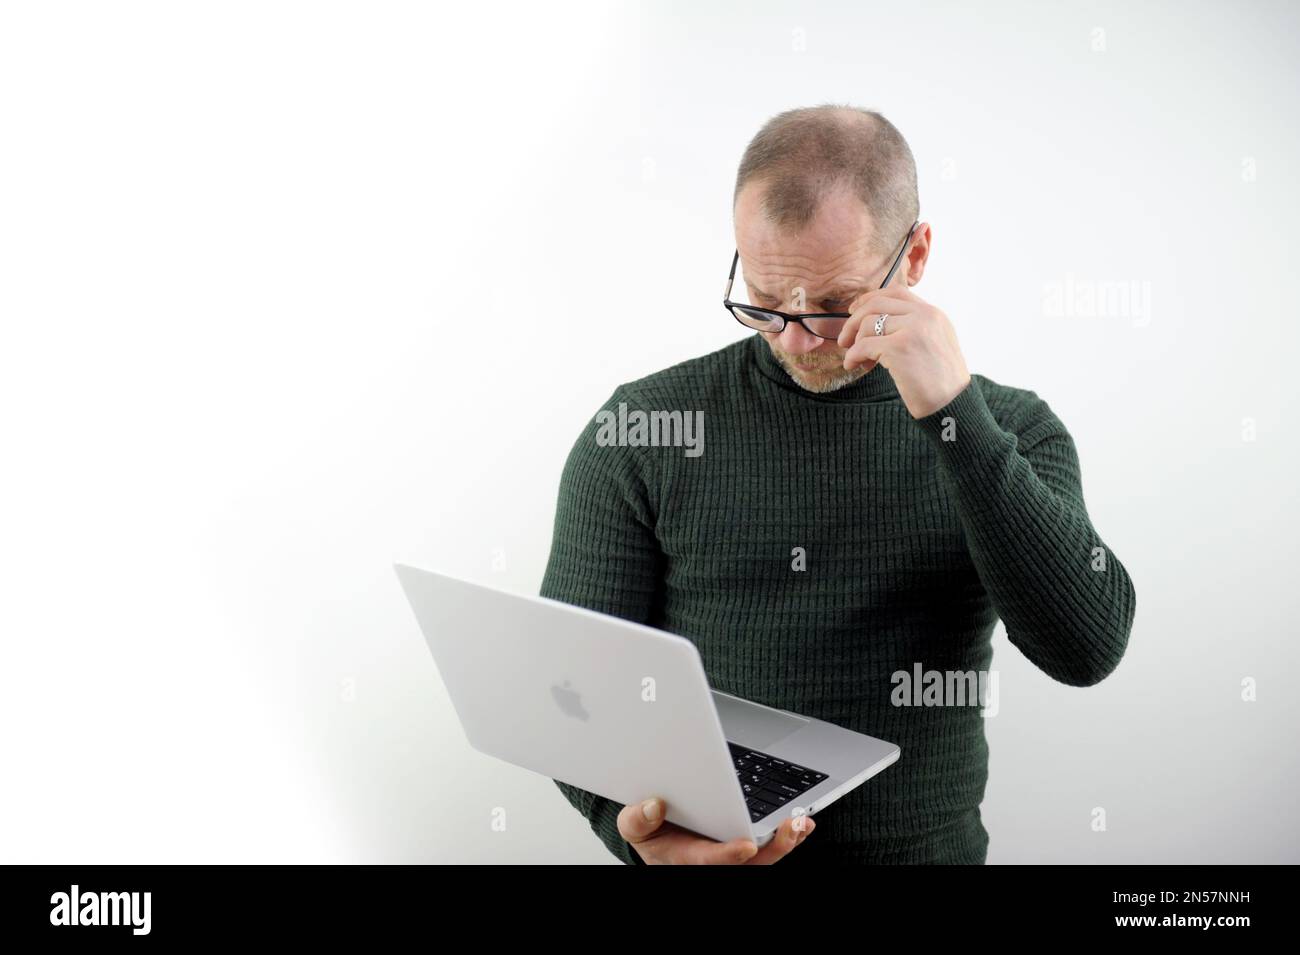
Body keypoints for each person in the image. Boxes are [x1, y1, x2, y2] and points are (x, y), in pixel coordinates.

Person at [540, 103, 1136, 865]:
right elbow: (568, 692)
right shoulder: (644, 430)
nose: (794, 339)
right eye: (764, 299)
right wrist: (638, 834)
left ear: (914, 255)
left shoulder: (1011, 430)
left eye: (832, 305)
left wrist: (956, 418)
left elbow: (1086, 649)